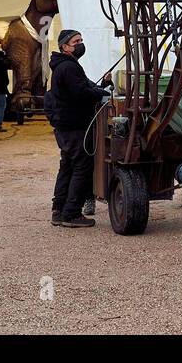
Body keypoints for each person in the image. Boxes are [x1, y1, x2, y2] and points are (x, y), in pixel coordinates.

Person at [46, 29, 111, 228]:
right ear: (65, 47)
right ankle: (71, 213)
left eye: (81, 40)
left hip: (66, 125)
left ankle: (59, 210)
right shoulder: (68, 67)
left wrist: (102, 86)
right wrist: (101, 93)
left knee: (67, 165)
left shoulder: (65, 66)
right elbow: (81, 92)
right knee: (82, 166)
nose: (80, 44)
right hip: (73, 126)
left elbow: (83, 87)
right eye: (76, 41)